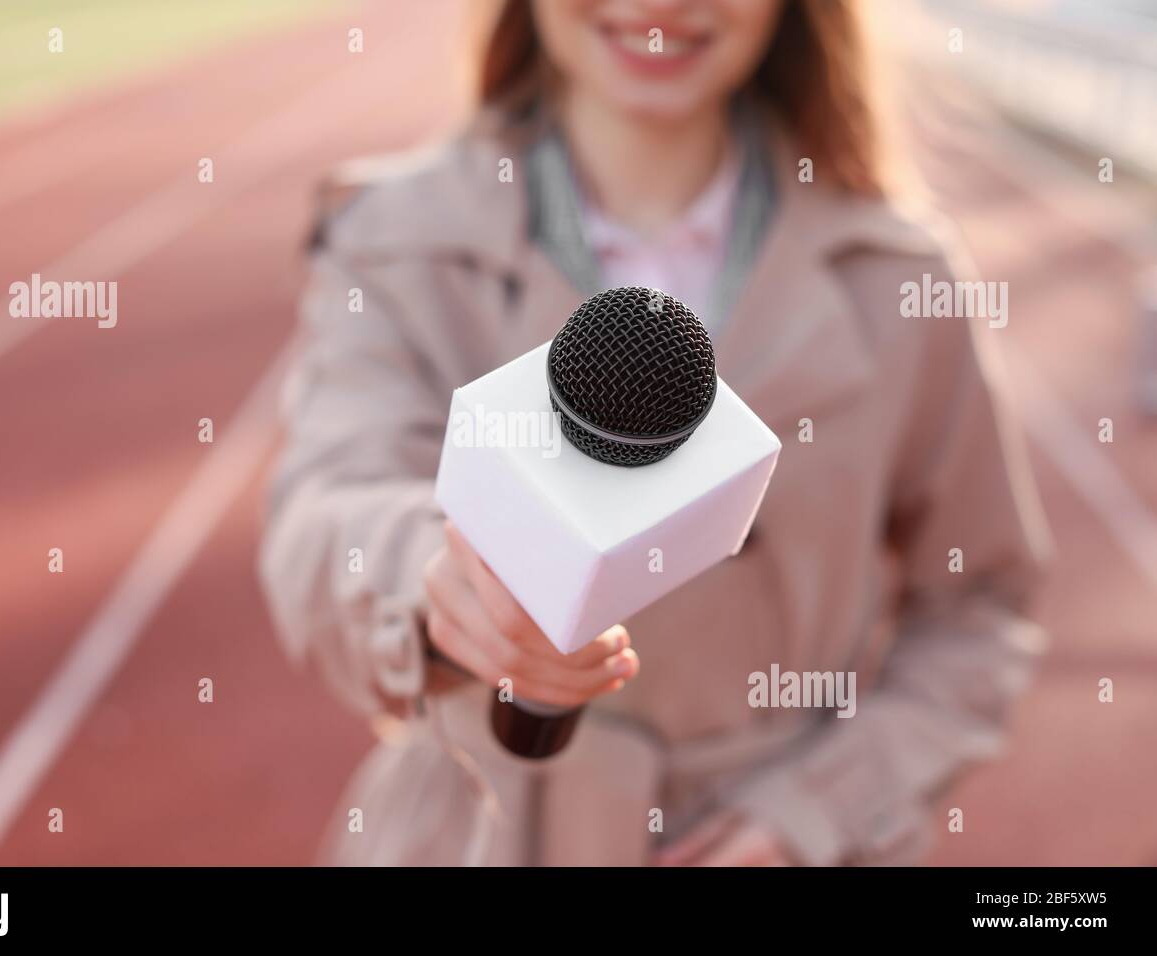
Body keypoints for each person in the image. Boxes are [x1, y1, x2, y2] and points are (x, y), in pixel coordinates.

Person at [259, 0, 1051, 866]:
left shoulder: (902, 277)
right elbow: (325, 510)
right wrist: (434, 583)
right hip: (477, 832)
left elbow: (981, 604)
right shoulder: (395, 234)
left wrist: (819, 814)